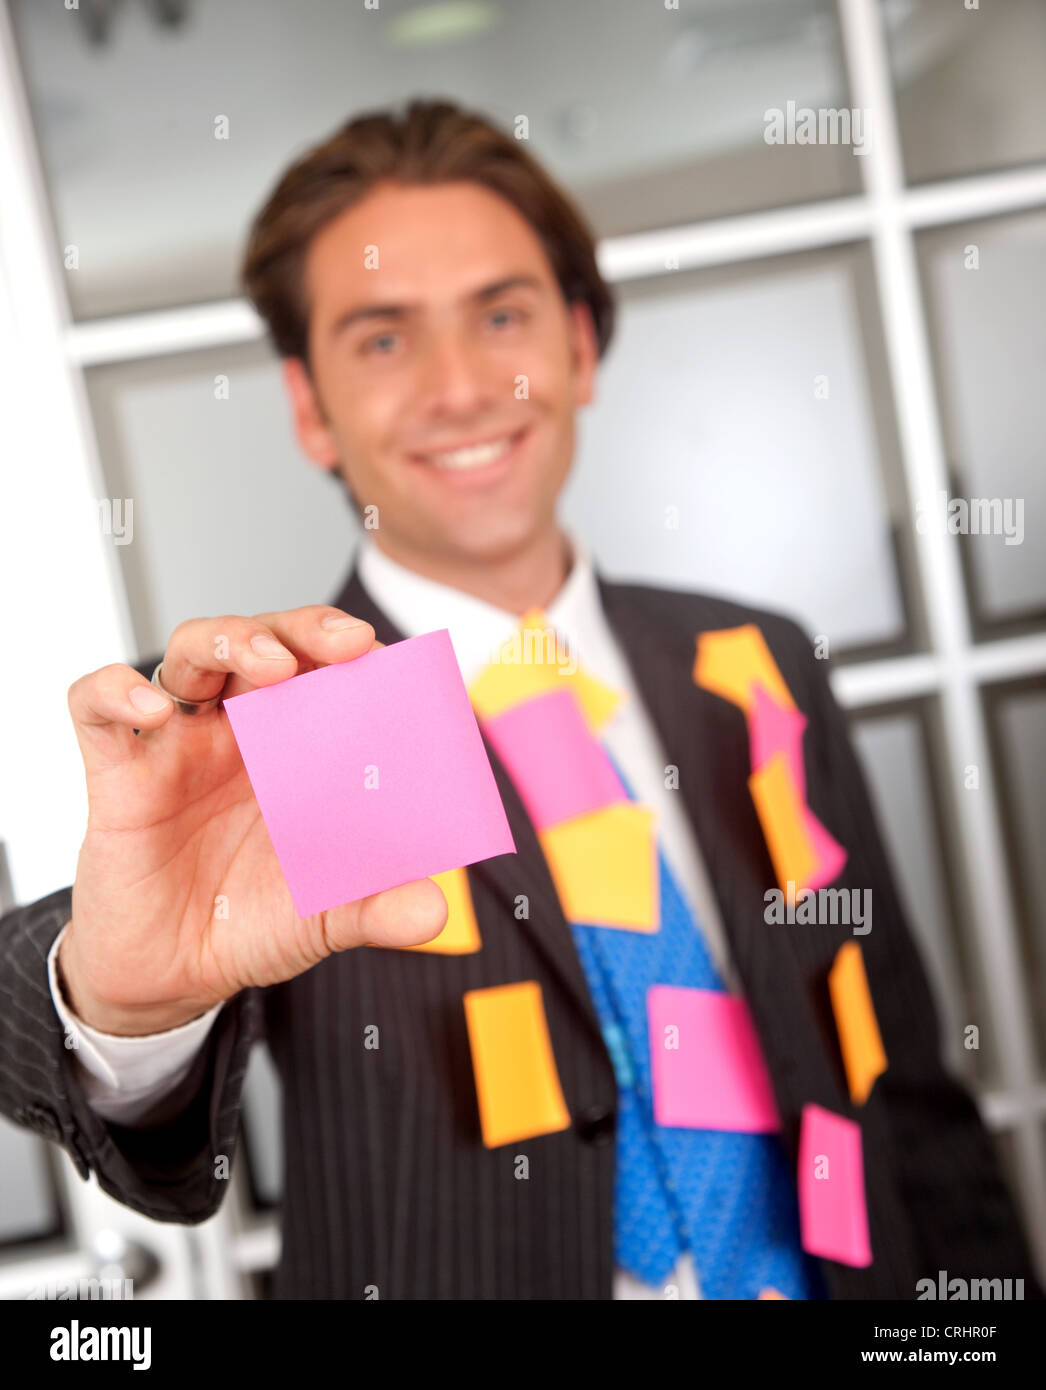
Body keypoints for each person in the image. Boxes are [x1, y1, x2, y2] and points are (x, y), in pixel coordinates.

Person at [0, 99, 1038, 1301]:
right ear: (308, 407)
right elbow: (137, 1121)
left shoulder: (753, 659)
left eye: (501, 315)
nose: (459, 386)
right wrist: (126, 1005)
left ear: (582, 347)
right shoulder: (268, 725)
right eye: (383, 340)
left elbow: (903, 1086)